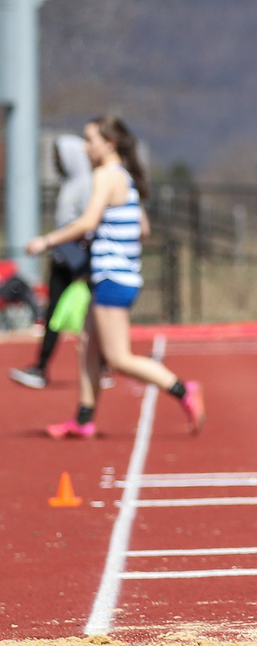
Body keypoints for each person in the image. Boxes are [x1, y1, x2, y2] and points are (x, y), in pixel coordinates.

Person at [26, 115, 206, 439]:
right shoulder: (124, 177)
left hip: (113, 278)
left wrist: (47, 241)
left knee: (118, 358)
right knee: (87, 345)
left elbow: (88, 221)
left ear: (108, 144)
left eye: (90, 139)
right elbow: (144, 228)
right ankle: (83, 419)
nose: (85, 146)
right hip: (116, 276)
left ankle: (183, 390)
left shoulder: (106, 176)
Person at [9, 135, 93, 389]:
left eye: (60, 156)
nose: (56, 162)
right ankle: (41, 367)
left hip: (78, 260)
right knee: (54, 313)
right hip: (61, 259)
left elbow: (86, 224)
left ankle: (102, 365)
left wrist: (55, 244)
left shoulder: (86, 184)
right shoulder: (68, 184)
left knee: (90, 316)